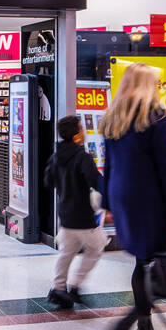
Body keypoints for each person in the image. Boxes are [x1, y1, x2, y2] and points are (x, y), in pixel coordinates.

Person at [99, 63, 166, 330]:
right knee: (152, 263)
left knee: (143, 262)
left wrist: (108, 203)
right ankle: (130, 324)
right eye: (155, 83)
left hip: (125, 198)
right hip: (151, 201)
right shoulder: (157, 118)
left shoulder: (114, 119)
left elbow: (109, 166)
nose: (158, 87)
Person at [43, 114, 106, 309]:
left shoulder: (56, 155)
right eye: (82, 128)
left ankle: (59, 287)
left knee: (66, 253)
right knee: (96, 248)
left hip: (65, 213)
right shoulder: (82, 157)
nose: (85, 131)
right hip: (83, 215)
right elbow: (96, 182)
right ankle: (75, 286)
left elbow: (48, 182)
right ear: (77, 134)